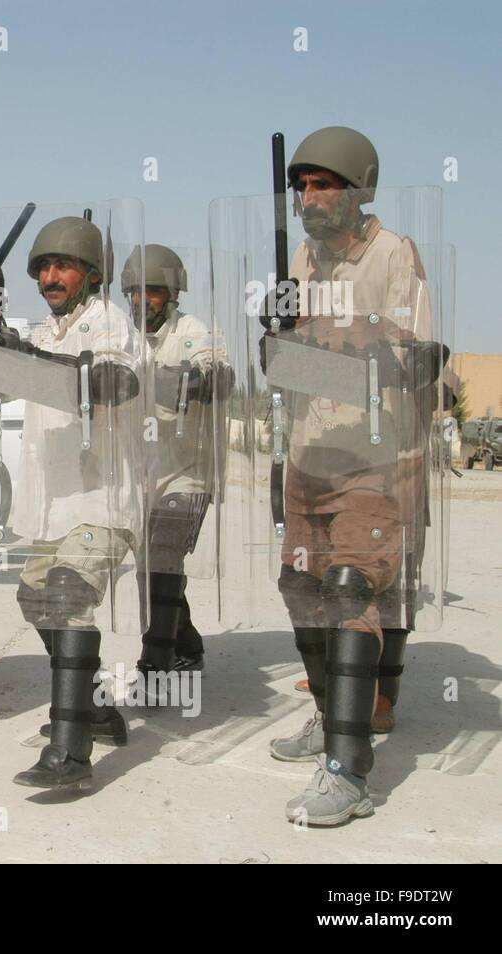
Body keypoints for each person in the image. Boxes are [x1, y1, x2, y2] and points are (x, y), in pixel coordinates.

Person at [263, 127, 447, 823]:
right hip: (310, 458)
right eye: (301, 186)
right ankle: (325, 711)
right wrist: (274, 335)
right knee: (301, 588)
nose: (310, 197)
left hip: (376, 460)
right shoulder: (301, 264)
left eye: (325, 184)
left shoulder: (393, 255)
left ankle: (349, 770)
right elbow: (282, 374)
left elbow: (411, 363)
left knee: (348, 593)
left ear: (359, 187)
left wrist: (303, 355)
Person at [0, 214, 143, 789]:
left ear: (91, 274)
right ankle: (95, 707)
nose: (51, 276)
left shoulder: (110, 325)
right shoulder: (45, 334)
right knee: (36, 599)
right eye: (43, 267)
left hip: (102, 499)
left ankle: (70, 750)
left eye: (63, 265)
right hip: (52, 504)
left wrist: (35, 366)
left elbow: (114, 383)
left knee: (69, 597)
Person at [121, 244, 231, 685]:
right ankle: (188, 645)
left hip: (188, 474)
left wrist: (192, 381)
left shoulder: (193, 333)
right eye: (135, 292)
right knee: (154, 567)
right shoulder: (124, 339)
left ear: (172, 295)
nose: (142, 301)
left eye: (154, 292)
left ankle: (156, 666)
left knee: (161, 563)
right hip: (141, 477)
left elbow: (218, 375)